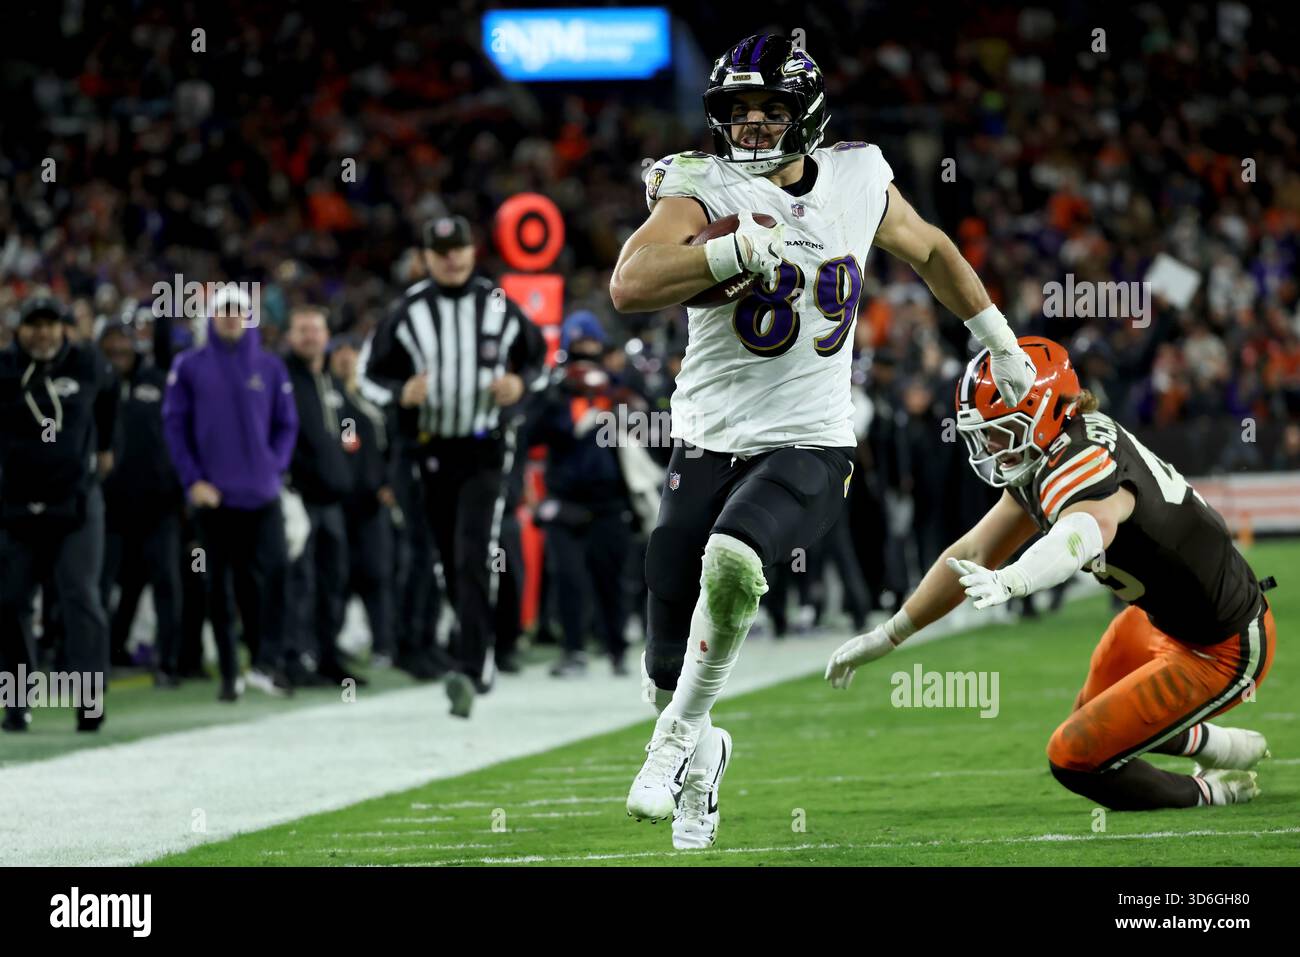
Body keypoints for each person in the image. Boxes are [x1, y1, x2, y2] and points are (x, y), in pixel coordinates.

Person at [609, 33, 1037, 849]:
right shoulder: (701, 182)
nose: (755, 125)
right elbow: (630, 283)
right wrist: (731, 249)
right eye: (740, 111)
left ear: (805, 113)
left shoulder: (858, 174)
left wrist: (1000, 343)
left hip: (810, 439)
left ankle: (672, 744)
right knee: (665, 662)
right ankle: (705, 756)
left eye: (771, 110)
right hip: (705, 440)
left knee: (734, 561)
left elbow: (934, 250)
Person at [826, 336, 1276, 811]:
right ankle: (1219, 745)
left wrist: (1012, 580)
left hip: (1223, 645)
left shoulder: (1082, 459)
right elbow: (974, 550)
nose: (992, 446)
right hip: (1158, 621)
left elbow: (1082, 532)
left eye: (1000, 430)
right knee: (1095, 718)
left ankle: (1214, 791)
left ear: (1044, 412)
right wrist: (889, 634)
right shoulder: (1050, 448)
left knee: (1074, 755)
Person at [358, 215, 546, 717]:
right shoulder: (408, 310)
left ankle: (473, 662)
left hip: (485, 445)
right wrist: (401, 393)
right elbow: (368, 375)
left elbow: (541, 359)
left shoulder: (500, 304)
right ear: (428, 256)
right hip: (431, 450)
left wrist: (519, 385)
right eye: (441, 251)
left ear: (471, 250)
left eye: (458, 248)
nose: (451, 258)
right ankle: (466, 647)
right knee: (446, 558)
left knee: (473, 553)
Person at [162, 289, 299, 701]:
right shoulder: (188, 366)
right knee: (216, 587)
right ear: (209, 317)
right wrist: (193, 481)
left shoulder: (271, 367)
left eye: (238, 310)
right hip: (214, 498)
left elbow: (286, 424)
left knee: (273, 578)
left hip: (262, 496)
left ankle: (266, 663)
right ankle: (227, 672)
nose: (231, 317)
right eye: (223, 311)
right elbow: (174, 426)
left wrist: (272, 467)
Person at [0, 296, 118, 731]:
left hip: (76, 504)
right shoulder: (4, 369)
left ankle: (89, 701)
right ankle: (18, 701)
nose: (43, 333)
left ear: (64, 329)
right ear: (19, 328)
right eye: (34, 324)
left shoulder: (87, 362)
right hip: (16, 508)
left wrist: (105, 447)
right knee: (9, 601)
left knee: (79, 596)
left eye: (51, 324)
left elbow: (111, 395)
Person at [526, 311, 635, 678]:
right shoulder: (554, 391)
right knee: (568, 578)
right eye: (578, 351)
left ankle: (617, 648)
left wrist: (616, 402)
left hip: (609, 500)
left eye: (590, 349)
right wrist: (558, 399)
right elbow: (531, 434)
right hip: (567, 498)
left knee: (611, 579)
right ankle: (573, 650)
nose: (584, 358)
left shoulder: (618, 388)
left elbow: (652, 429)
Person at [98, 320, 184, 687]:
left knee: (167, 583)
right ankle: (95, 663)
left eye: (124, 342)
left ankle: (169, 663)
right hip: (108, 506)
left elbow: (179, 434)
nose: (118, 349)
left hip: (157, 506)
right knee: (99, 586)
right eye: (111, 342)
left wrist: (179, 492)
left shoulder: (158, 379)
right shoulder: (94, 382)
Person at [283, 306, 366, 687]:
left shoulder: (331, 383)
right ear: (290, 335)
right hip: (299, 497)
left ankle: (327, 656)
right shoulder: (283, 379)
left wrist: (348, 458)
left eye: (316, 329)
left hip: (334, 502)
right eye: (303, 329)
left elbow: (349, 428)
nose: (311, 336)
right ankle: (296, 659)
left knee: (333, 580)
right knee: (300, 583)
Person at [329, 333, 399, 668]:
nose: (345, 357)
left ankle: (384, 644)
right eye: (339, 352)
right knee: (337, 577)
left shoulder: (373, 398)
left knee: (377, 575)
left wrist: (389, 483)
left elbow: (391, 447)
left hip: (373, 505)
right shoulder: (329, 398)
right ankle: (330, 643)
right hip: (341, 503)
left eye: (351, 350)